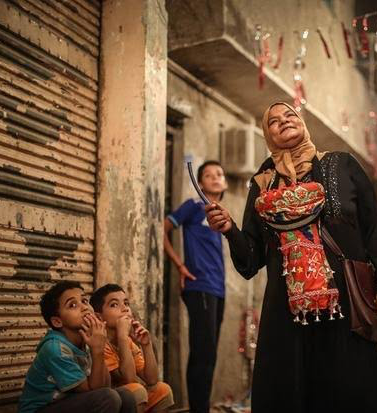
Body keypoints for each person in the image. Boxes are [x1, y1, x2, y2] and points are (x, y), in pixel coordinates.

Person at [204, 102, 377, 413]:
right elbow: (251, 259)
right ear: (267, 134)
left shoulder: (343, 166)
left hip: (345, 304)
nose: (283, 121)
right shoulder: (263, 182)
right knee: (294, 391)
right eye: (274, 121)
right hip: (287, 316)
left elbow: (374, 228)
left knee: (348, 388)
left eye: (289, 115)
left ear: (302, 123)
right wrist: (229, 230)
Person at [163, 160, 227, 413]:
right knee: (202, 352)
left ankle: (202, 407)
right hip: (199, 285)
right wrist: (180, 265)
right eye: (208, 175)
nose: (215, 178)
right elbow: (163, 229)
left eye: (219, 174)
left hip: (218, 289)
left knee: (210, 353)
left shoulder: (219, 214)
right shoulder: (193, 206)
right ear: (200, 183)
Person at [18, 281, 137, 413]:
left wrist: (99, 346)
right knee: (108, 398)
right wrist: (97, 350)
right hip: (40, 409)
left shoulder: (87, 341)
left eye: (85, 301)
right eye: (73, 305)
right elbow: (95, 391)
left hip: (69, 403)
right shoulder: (55, 348)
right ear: (57, 321)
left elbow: (105, 386)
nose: (84, 307)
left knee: (126, 396)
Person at [91, 284, 174, 412]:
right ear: (99, 317)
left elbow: (152, 379)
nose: (125, 309)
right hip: (111, 402)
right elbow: (129, 379)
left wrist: (146, 344)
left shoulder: (128, 341)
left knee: (163, 390)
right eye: (114, 305)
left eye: (126, 303)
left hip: (129, 397)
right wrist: (123, 337)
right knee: (137, 391)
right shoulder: (101, 343)